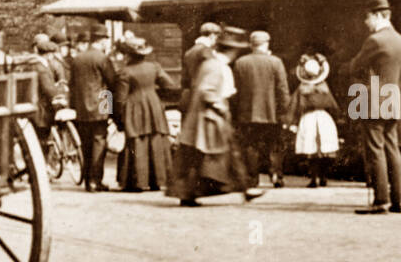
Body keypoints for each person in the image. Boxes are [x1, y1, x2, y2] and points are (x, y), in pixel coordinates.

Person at [169, 26, 262, 206]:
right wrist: (220, 106)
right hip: (209, 118)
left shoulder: (209, 62)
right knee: (221, 155)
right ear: (232, 50)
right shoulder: (216, 66)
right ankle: (243, 189)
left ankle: (242, 189)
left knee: (206, 156)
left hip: (202, 118)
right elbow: (207, 91)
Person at [350, 0, 401, 215]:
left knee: (375, 150)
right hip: (393, 99)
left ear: (377, 15)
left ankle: (380, 200)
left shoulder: (375, 40)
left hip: (374, 100)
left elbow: (356, 65)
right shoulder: (399, 39)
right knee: (392, 148)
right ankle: (399, 200)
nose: (366, 22)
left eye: (368, 17)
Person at [231, 30, 291, 188]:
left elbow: (235, 91)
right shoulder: (276, 62)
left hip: (247, 114)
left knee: (250, 146)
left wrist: (235, 113)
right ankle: (276, 175)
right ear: (267, 44)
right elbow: (282, 89)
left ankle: (252, 179)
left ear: (251, 45)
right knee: (275, 146)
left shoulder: (240, 62)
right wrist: (285, 112)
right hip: (271, 114)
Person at [112, 35, 172, 191]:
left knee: (137, 141)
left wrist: (117, 118)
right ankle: (158, 180)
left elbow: (119, 99)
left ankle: (137, 181)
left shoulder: (124, 72)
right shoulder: (155, 67)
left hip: (134, 108)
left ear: (128, 54)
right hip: (154, 105)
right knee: (156, 139)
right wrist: (158, 98)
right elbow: (169, 85)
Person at [69, 24, 116, 192]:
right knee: (99, 143)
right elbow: (112, 83)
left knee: (86, 144)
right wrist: (111, 109)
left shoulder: (77, 59)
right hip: (101, 106)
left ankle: (88, 180)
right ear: (101, 40)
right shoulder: (102, 58)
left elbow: (72, 85)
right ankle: (96, 180)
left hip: (81, 108)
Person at [288, 54, 341, 187]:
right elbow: (333, 106)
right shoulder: (325, 89)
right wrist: (338, 118)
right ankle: (323, 177)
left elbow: (294, 105)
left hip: (308, 118)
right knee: (324, 149)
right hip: (323, 118)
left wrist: (291, 121)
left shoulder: (301, 89)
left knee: (311, 149)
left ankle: (314, 178)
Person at [181, 22, 221, 108]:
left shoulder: (190, 51)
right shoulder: (206, 51)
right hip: (204, 96)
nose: (216, 40)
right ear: (212, 35)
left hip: (193, 92)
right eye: (217, 36)